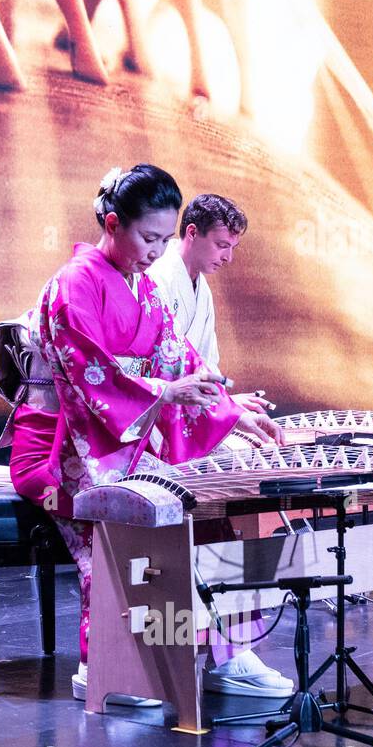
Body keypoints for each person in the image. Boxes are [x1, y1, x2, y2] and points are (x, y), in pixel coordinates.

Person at [6, 164, 284, 705]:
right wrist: (164, 393)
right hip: (63, 448)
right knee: (122, 540)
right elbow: (92, 379)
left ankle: (225, 651)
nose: (157, 252)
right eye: (148, 237)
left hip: (120, 439)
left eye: (162, 239)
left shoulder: (139, 284)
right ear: (111, 222)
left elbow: (178, 355)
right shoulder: (72, 286)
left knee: (207, 521)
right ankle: (105, 662)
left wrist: (228, 410)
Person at [147, 193, 294, 697]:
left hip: (181, 420)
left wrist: (231, 403)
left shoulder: (198, 289)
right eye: (220, 244)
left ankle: (231, 645)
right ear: (189, 233)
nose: (227, 256)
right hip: (147, 429)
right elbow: (162, 373)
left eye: (232, 247)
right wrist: (223, 412)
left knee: (248, 476)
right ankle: (220, 649)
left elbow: (202, 371)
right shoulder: (156, 281)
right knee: (219, 502)